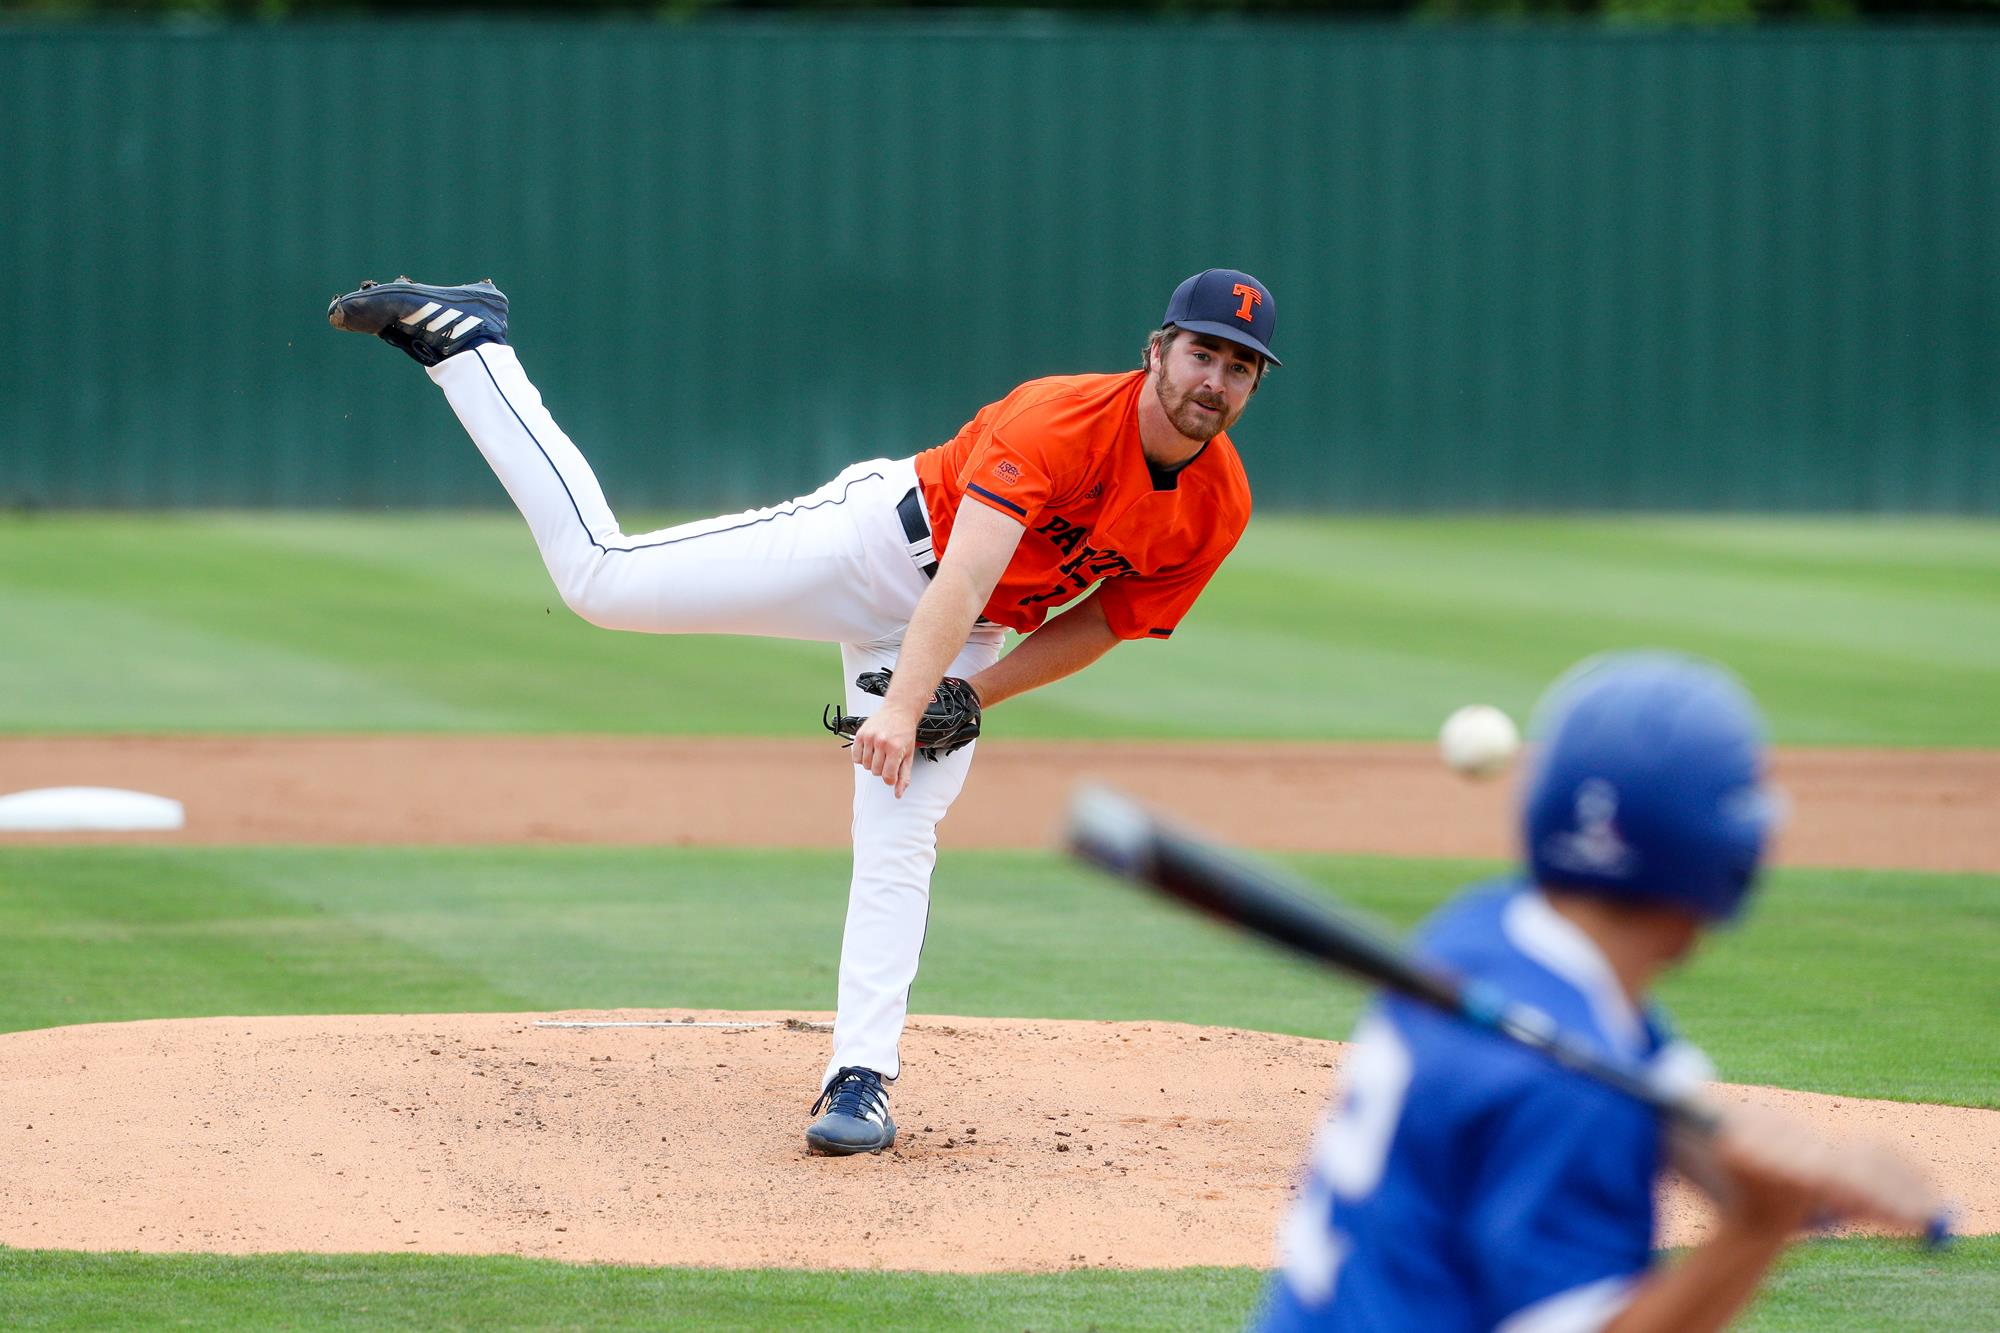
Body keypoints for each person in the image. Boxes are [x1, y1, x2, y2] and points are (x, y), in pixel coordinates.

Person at [328, 268, 1275, 1156]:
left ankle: (859, 1078)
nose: (1217, 379)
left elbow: (1110, 616)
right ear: (1157, 350)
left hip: (966, 636)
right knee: (601, 581)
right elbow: (970, 565)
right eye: (1203, 352)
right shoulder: (1061, 418)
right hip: (870, 548)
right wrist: (905, 706)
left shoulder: (1219, 501)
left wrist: (965, 695)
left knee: (903, 833)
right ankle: (472, 349)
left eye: (1241, 367)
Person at [1259, 652, 1942, 1332]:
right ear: (1719, 855)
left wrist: (1816, 1179)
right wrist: (1755, 1227)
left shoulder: (1486, 934)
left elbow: (1661, 1097)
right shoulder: (1571, 1092)